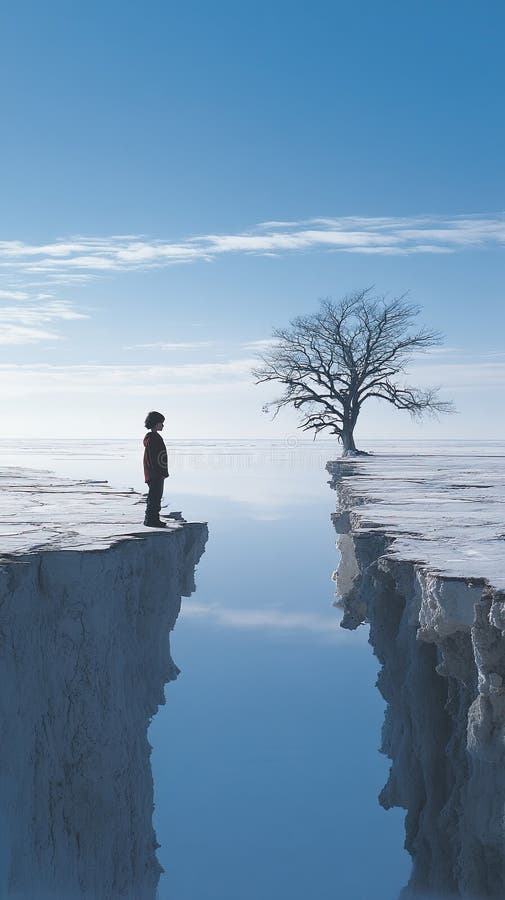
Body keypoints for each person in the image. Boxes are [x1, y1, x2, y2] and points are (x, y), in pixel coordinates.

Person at [143, 411, 169, 527]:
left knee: (154, 496)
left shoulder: (152, 437)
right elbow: (154, 458)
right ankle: (151, 520)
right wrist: (160, 472)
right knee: (155, 497)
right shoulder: (153, 438)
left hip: (154, 473)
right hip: (155, 474)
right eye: (161, 423)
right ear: (155, 423)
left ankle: (152, 519)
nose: (163, 425)